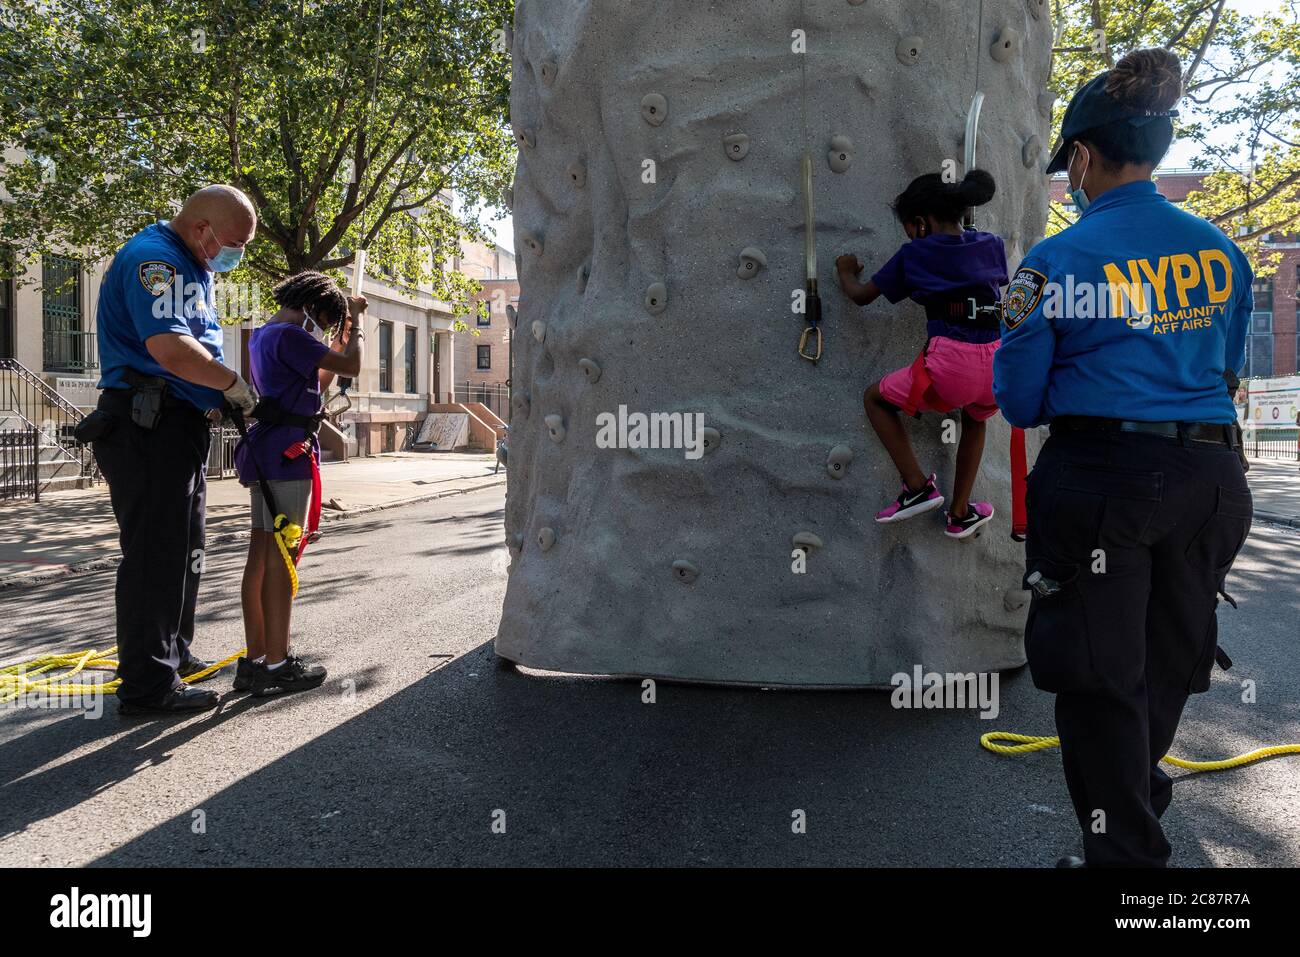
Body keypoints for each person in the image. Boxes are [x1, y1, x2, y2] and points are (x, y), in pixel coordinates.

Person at [993, 49, 1254, 867]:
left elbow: (1021, 401)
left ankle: (1126, 866)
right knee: (1168, 660)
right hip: (1212, 480)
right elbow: (1228, 373)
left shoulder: (1049, 263)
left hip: (1102, 480)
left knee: (1101, 675)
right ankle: (1133, 824)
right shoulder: (1224, 254)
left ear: (1079, 157)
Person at [87, 185, 259, 715]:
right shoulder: (155, 260)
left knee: (186, 552)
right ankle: (146, 686)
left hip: (175, 425)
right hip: (147, 426)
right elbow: (171, 348)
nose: (236, 255)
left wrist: (215, 395)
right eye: (232, 243)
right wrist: (232, 383)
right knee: (155, 557)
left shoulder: (193, 264)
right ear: (203, 229)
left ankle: (170, 656)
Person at [836, 169, 1008, 539]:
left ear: (919, 223)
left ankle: (916, 486)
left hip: (951, 362)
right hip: (996, 362)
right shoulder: (991, 244)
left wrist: (845, 272)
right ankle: (960, 512)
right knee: (976, 419)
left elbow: (862, 295)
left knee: (875, 399)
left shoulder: (915, 253)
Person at [232, 272, 365, 697]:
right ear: (312, 306)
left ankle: (255, 660)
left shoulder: (265, 335)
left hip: (266, 450)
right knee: (281, 559)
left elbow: (320, 378)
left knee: (260, 554)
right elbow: (351, 367)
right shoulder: (291, 333)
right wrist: (356, 324)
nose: (324, 331)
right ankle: (277, 664)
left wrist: (338, 339)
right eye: (327, 322)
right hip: (287, 457)